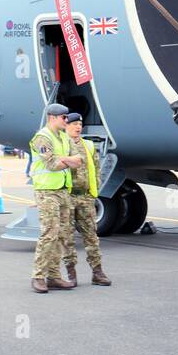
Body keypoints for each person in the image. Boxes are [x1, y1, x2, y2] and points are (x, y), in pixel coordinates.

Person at [28, 104, 80, 294]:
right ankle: (38, 276)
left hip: (63, 190)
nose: (67, 121)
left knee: (62, 234)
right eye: (64, 118)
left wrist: (65, 159)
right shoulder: (42, 138)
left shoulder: (64, 137)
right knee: (49, 233)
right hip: (47, 191)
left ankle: (54, 276)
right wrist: (67, 160)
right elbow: (52, 164)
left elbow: (78, 159)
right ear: (52, 117)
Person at [62, 114, 111, 287]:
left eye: (80, 124)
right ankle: (71, 273)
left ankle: (97, 272)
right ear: (66, 125)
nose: (78, 127)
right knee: (67, 238)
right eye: (74, 124)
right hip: (67, 196)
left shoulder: (88, 145)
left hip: (85, 196)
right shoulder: (61, 144)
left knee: (91, 236)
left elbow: (96, 168)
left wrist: (93, 191)